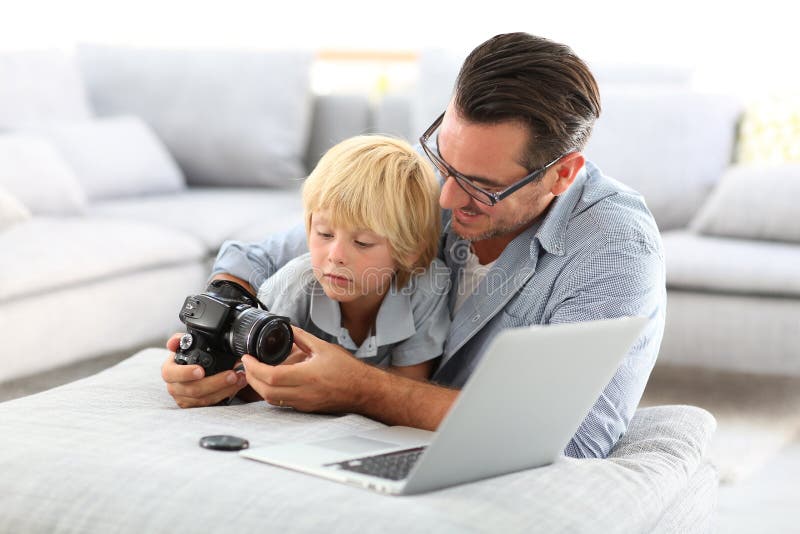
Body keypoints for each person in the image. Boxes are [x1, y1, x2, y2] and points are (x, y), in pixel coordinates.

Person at [162, 32, 666, 459]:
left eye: (480, 186)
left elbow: (570, 439)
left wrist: (361, 388)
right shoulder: (437, 175)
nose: (444, 196)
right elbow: (257, 258)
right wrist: (215, 330)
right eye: (443, 160)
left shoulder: (614, 251)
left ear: (562, 174)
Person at [163, 135, 451, 406]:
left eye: (362, 242)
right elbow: (254, 383)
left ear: (408, 249)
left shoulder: (426, 288)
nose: (335, 256)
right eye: (324, 234)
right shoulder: (295, 284)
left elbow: (408, 388)